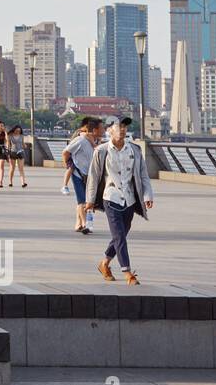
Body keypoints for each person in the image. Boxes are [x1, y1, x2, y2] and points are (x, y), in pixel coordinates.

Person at [85, 116, 154, 285]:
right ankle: (128, 273)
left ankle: (104, 263)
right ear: (109, 130)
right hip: (110, 197)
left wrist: (147, 195)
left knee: (120, 235)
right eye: (118, 126)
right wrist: (90, 200)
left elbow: (143, 174)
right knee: (119, 236)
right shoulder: (101, 151)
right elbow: (93, 177)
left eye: (124, 127)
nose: (122, 129)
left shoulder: (135, 150)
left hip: (129, 199)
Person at [63, 118, 98, 234]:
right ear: (93, 130)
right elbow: (66, 152)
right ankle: (85, 224)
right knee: (82, 201)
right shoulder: (80, 138)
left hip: (90, 175)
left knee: (87, 201)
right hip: (77, 172)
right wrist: (68, 164)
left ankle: (78, 224)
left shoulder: (95, 140)